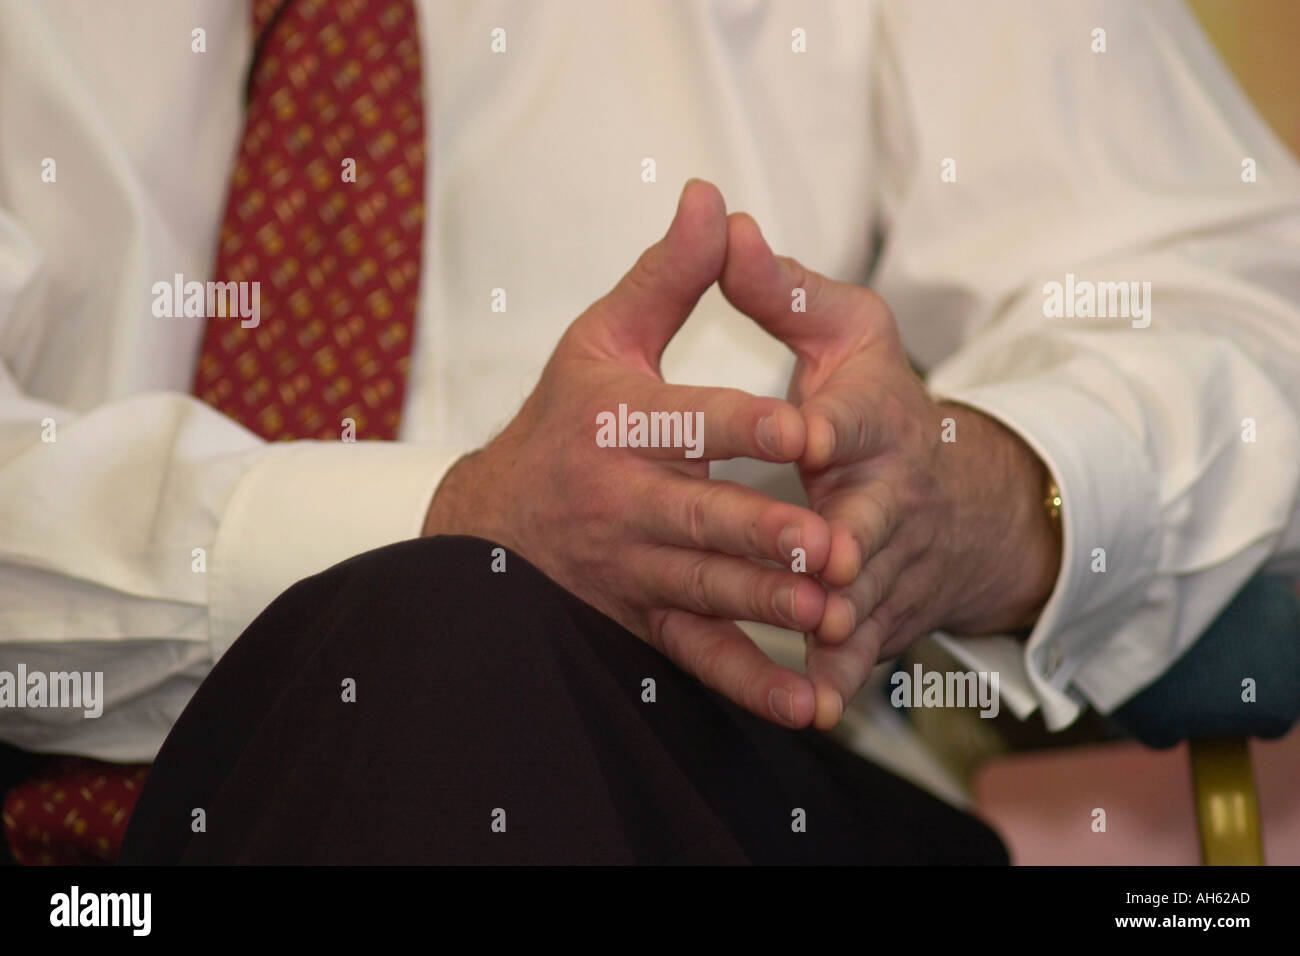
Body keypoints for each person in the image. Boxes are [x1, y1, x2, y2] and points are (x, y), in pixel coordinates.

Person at [3, 0, 1299, 863]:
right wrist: (449, 524)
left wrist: (991, 494)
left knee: (459, 641)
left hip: (725, 803)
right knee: (455, 614)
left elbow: (1235, 314)